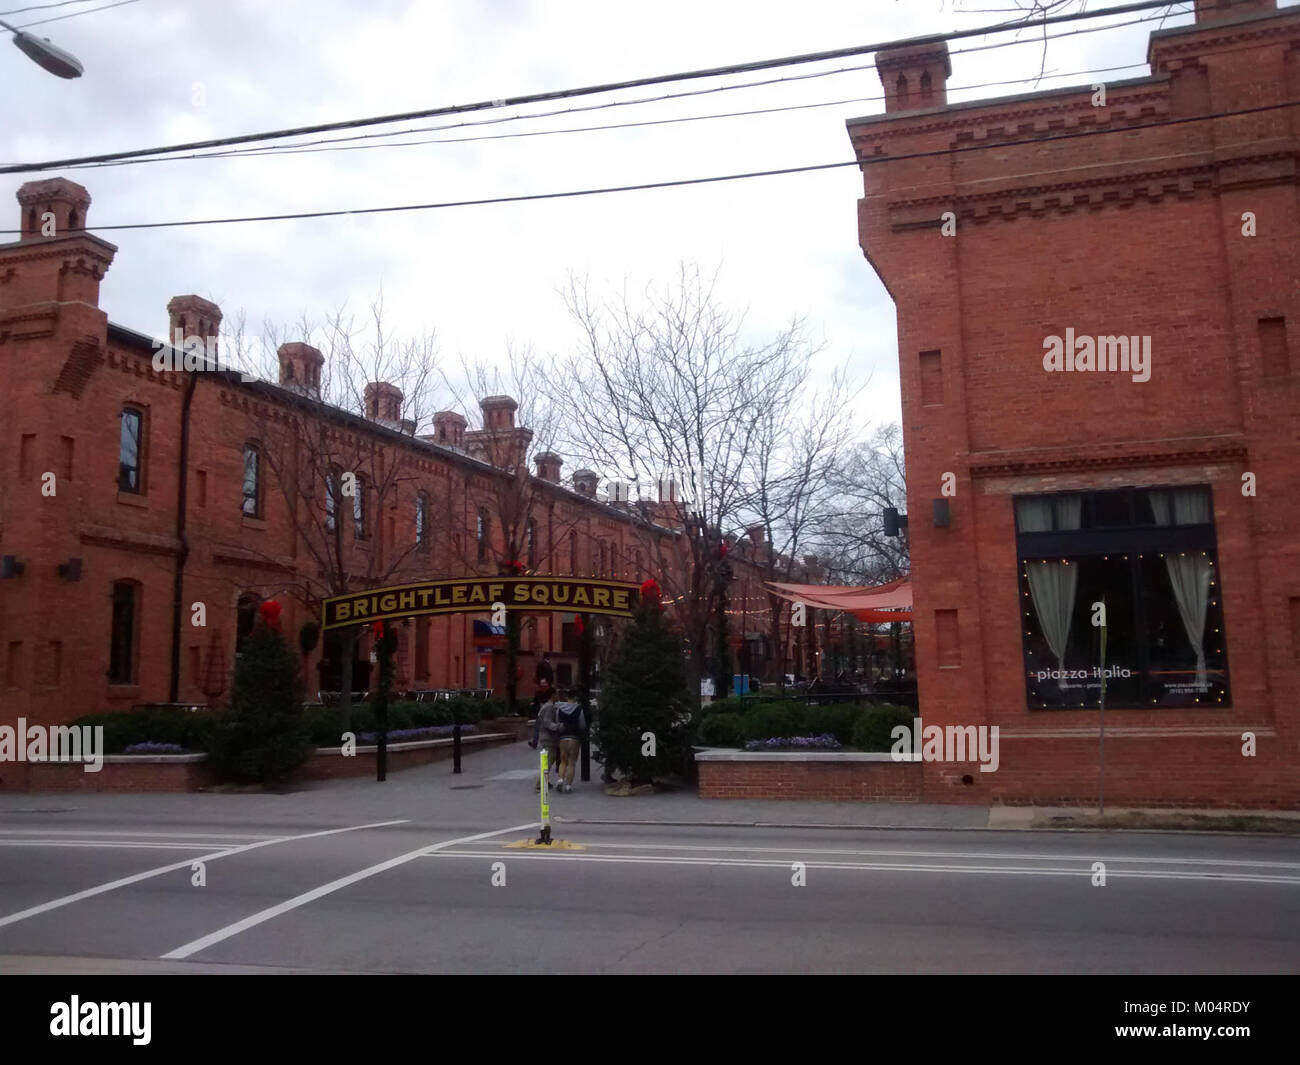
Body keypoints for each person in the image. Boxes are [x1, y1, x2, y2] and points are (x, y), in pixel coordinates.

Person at [553, 688, 586, 793]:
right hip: (575, 738)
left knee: (563, 761)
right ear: (575, 697)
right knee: (572, 763)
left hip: (563, 738)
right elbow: (582, 724)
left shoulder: (560, 709)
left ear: (566, 697)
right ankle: (568, 786)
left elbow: (558, 722)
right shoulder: (579, 709)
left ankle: (560, 780)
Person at [533, 688, 560, 792]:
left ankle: (544, 781)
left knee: (548, 760)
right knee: (548, 761)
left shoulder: (545, 706)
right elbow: (547, 722)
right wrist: (558, 727)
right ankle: (539, 784)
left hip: (544, 736)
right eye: (556, 694)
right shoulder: (550, 707)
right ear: (552, 695)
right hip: (548, 738)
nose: (558, 696)